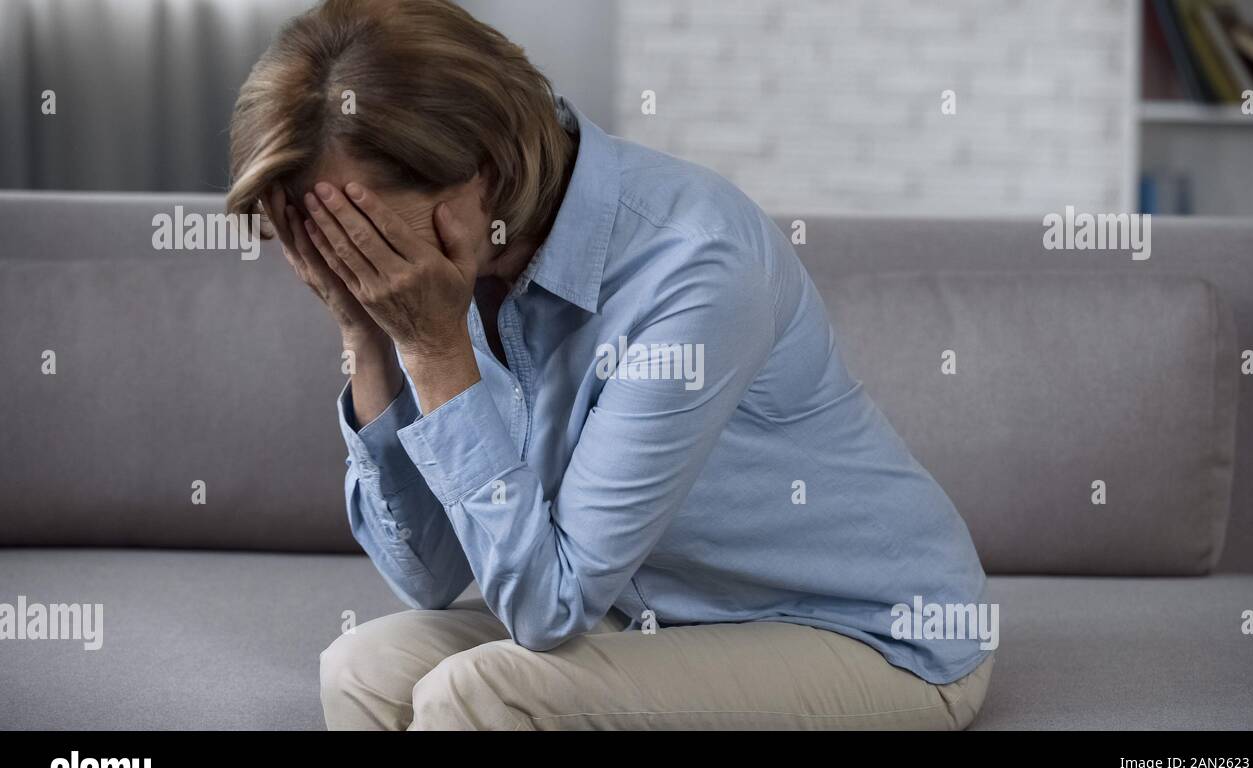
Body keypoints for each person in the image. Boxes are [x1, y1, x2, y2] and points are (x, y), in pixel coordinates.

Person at [226, 0, 993, 730]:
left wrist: (433, 349)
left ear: (481, 175)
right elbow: (428, 574)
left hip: (871, 633)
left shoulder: (693, 266)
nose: (355, 264)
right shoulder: (447, 269)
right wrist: (366, 335)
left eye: (361, 234)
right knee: (361, 667)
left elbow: (546, 607)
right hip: (650, 611)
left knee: (482, 694)